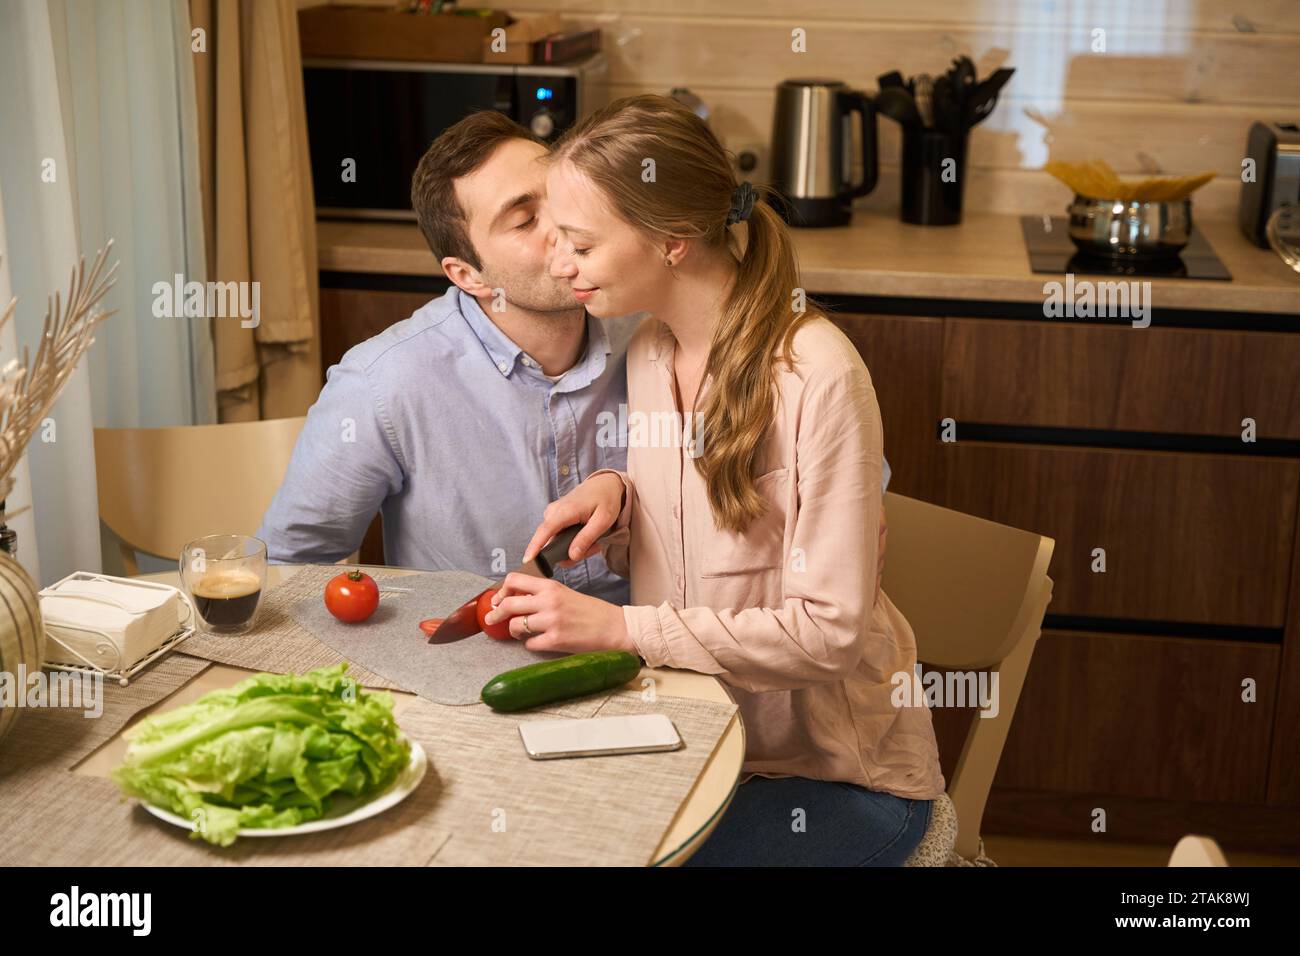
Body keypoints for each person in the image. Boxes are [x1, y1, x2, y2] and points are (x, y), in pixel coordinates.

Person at [483, 94, 944, 866]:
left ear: (672, 241)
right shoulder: (651, 353)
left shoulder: (818, 375)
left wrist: (622, 629)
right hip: (700, 740)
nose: (559, 267)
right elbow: (711, 538)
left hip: (836, 779)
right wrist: (619, 497)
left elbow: (827, 635)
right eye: (555, 239)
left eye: (581, 246)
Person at [256, 110, 633, 605]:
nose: (563, 225)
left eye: (560, 197)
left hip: (648, 653)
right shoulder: (381, 383)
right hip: (466, 665)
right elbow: (290, 568)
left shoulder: (650, 327)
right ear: (468, 275)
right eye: (524, 220)